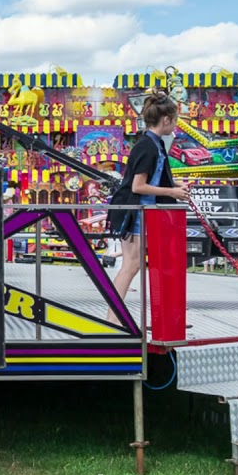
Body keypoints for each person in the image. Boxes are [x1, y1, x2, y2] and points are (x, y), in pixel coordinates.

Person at [104, 90, 190, 325]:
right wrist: (172, 192)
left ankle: (117, 317)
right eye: (175, 120)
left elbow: (153, 178)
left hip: (146, 212)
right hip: (136, 212)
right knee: (131, 266)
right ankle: (112, 319)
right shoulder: (148, 147)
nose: (175, 124)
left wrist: (175, 185)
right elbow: (138, 186)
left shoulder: (154, 144)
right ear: (166, 120)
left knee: (136, 265)